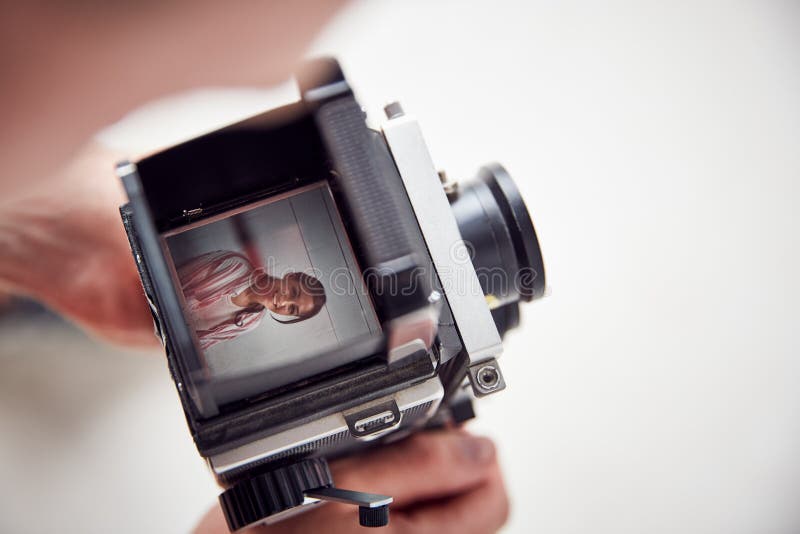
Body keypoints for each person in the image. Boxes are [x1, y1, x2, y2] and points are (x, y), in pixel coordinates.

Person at [0, 3, 510, 533]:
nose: (286, 305)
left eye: (294, 311)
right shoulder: (233, 264)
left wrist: (34, 216)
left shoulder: (247, 324)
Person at [177, 250, 326, 349]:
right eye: (293, 292)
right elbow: (172, 280)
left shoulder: (251, 323)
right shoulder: (235, 265)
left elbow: (196, 346)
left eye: (292, 309)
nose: (283, 302)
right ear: (290, 277)